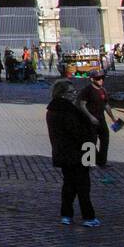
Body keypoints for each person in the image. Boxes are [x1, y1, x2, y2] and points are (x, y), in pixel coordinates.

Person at [46, 78, 101, 226]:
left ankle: (66, 215)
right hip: (79, 153)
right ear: (62, 94)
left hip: (63, 153)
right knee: (83, 185)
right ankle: (88, 217)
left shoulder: (53, 110)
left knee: (69, 184)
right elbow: (78, 133)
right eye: (71, 92)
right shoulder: (68, 111)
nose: (74, 94)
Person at [78, 69, 119, 183]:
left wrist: (113, 118)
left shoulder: (103, 90)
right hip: (90, 120)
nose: (101, 80)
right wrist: (90, 117)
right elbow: (82, 105)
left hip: (101, 119)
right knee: (91, 141)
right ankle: (89, 162)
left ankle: (102, 162)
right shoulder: (87, 90)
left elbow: (106, 105)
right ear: (92, 79)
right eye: (98, 78)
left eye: (102, 78)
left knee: (105, 139)